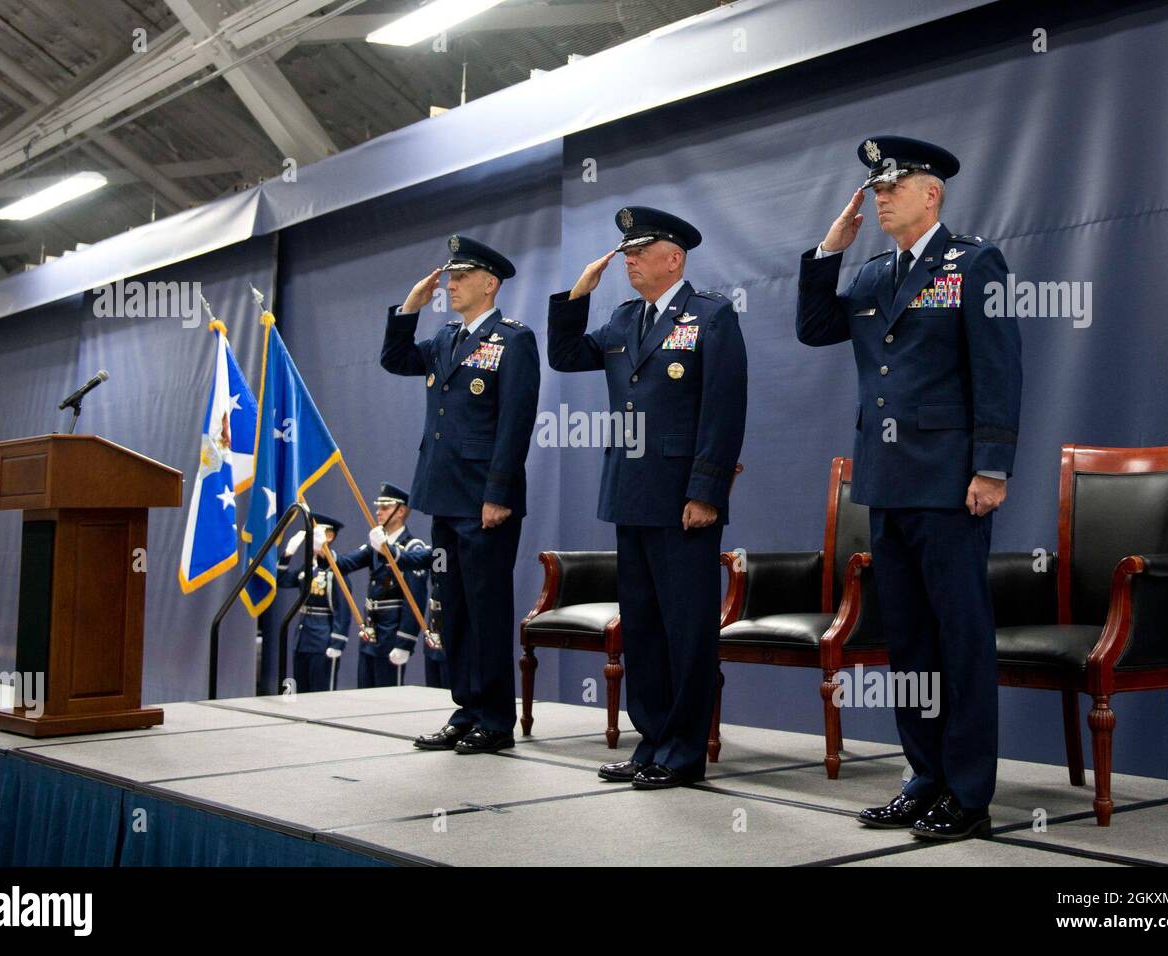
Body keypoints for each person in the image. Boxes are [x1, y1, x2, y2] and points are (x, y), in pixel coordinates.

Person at [796, 136, 1022, 840]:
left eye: (895, 185)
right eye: (876, 187)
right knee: (909, 647)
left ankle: (968, 791)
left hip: (951, 483)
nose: (880, 196)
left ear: (933, 194)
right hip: (887, 482)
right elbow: (812, 329)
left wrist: (992, 466)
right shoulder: (867, 276)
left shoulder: (972, 263)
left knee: (960, 639)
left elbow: (998, 367)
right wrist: (827, 253)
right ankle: (923, 777)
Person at [547, 206, 748, 789]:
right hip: (630, 493)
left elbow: (723, 410)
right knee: (643, 627)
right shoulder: (622, 318)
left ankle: (684, 751)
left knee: (687, 629)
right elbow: (565, 356)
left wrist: (707, 491)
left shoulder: (710, 316)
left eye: (640, 250)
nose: (628, 259)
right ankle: (652, 740)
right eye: (626, 251)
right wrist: (575, 297)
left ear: (673, 257)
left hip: (684, 499)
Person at [381, 235, 540, 754]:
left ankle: (495, 719)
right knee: (454, 607)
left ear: (489, 283)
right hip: (444, 494)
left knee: (487, 607)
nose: (450, 283)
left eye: (461, 276)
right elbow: (396, 358)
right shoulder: (445, 338)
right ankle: (466, 707)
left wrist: (498, 494)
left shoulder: (512, 340)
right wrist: (410, 308)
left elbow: (514, 423)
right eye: (449, 276)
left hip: (484, 500)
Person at [333, 482, 431, 688]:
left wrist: (405, 641)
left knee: (388, 698)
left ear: (401, 511)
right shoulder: (376, 546)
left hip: (392, 634)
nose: (378, 512)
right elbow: (342, 565)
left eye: (385, 507)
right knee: (366, 694)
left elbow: (415, 597)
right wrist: (324, 552)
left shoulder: (413, 547)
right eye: (378, 507)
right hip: (371, 631)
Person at [280, 513, 354, 693]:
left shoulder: (335, 570)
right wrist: (287, 555)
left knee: (320, 694)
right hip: (303, 638)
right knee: (302, 690)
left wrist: (337, 643)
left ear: (329, 536)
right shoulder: (308, 567)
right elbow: (281, 580)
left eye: (315, 533)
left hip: (323, 640)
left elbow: (342, 610)